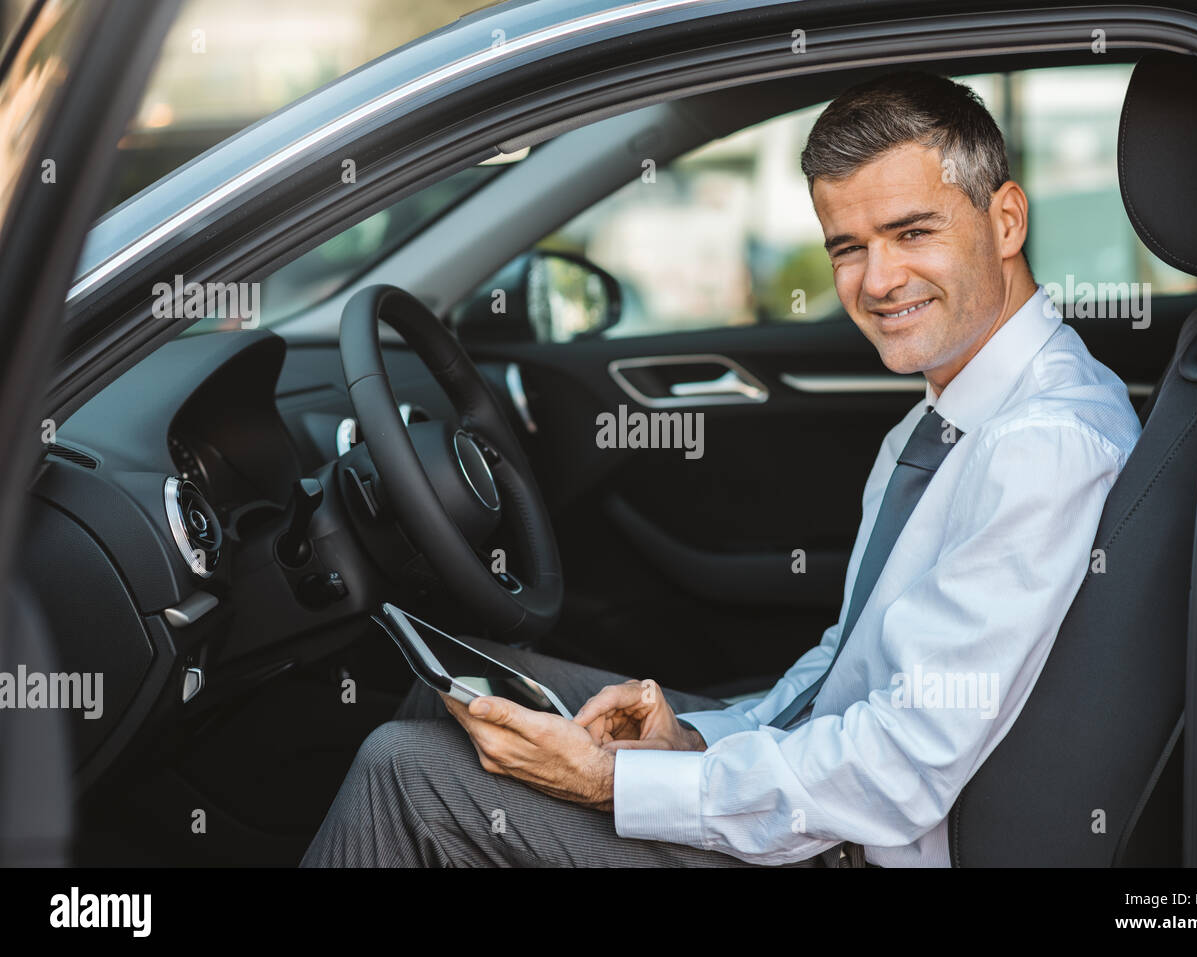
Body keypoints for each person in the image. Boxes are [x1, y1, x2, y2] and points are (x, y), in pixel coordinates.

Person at [301, 70, 1141, 868]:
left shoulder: (1042, 445)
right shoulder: (951, 418)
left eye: (913, 232)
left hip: (865, 843)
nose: (878, 280)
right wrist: (694, 743)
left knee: (404, 772)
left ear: (1004, 220)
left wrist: (612, 781)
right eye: (847, 247)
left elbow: (900, 769)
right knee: (460, 704)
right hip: (837, 794)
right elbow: (848, 665)